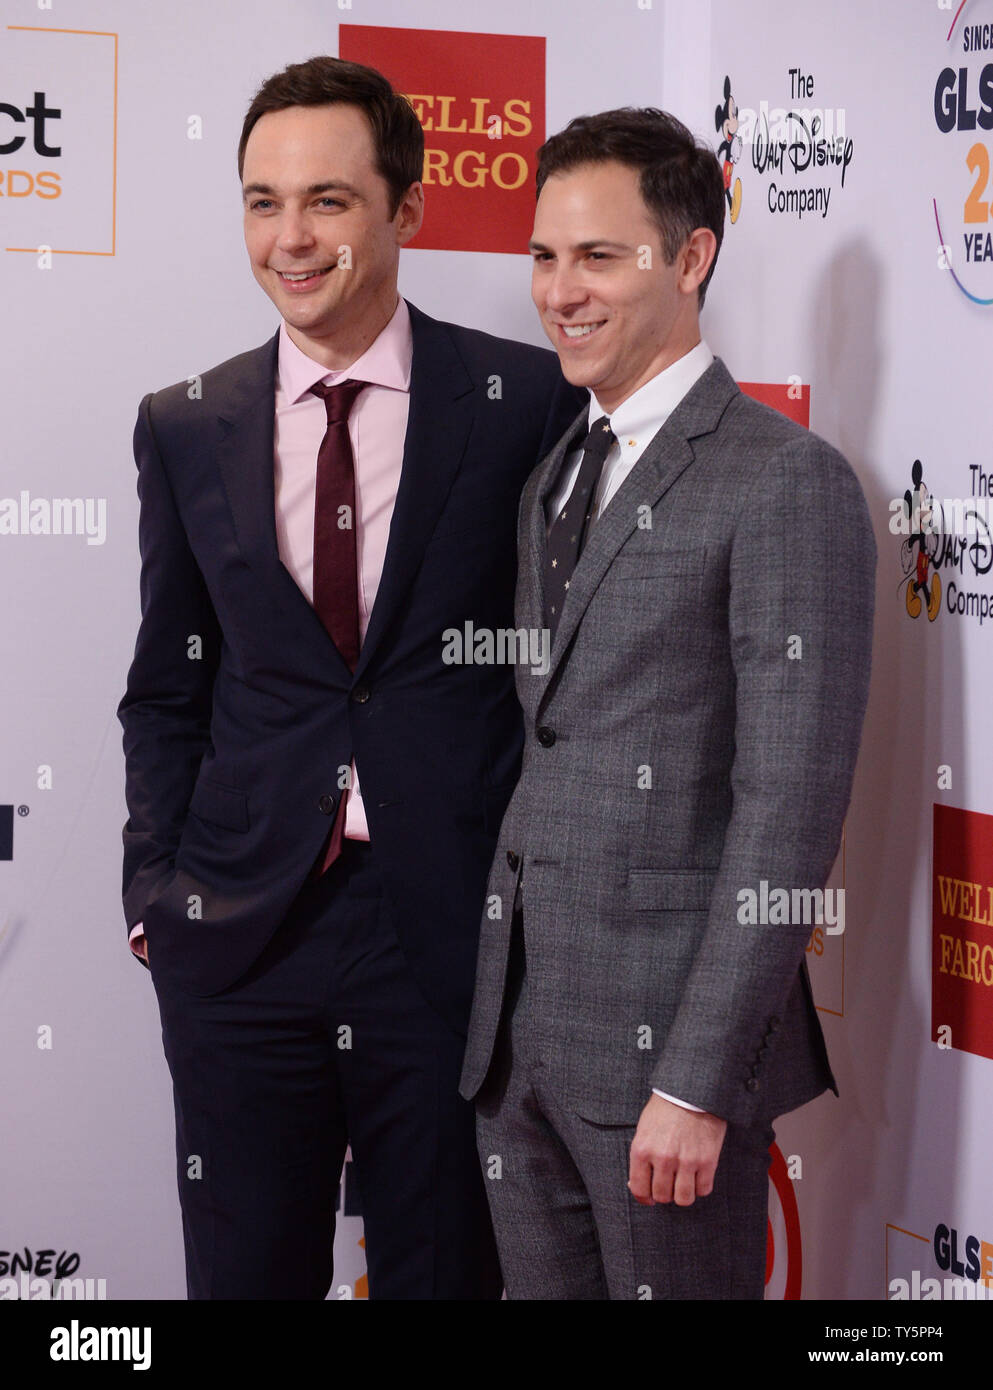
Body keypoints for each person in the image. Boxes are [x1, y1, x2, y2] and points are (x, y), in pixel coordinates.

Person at [117, 55, 583, 1300]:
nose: (291, 236)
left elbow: (569, 676)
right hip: (240, 926)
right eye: (263, 202)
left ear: (409, 211)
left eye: (327, 199)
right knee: (243, 1276)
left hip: (444, 934)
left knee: (444, 1273)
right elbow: (166, 687)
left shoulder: (523, 396)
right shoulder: (184, 420)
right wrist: (155, 887)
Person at [460, 107, 876, 1300]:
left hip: (665, 1067)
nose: (559, 293)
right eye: (544, 257)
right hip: (518, 1044)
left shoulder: (784, 481)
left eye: (600, 256)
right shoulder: (556, 475)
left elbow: (791, 810)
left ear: (690, 258)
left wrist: (696, 1080)